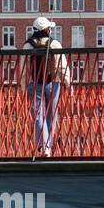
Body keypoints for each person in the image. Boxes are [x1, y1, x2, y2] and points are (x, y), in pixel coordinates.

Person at [20, 16, 70, 155]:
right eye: (49, 28)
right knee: (51, 116)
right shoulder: (54, 44)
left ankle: (44, 146)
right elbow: (62, 65)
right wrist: (67, 83)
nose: (50, 30)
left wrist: (24, 86)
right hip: (53, 83)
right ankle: (47, 146)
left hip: (35, 83)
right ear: (46, 30)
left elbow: (23, 68)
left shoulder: (28, 45)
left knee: (37, 116)